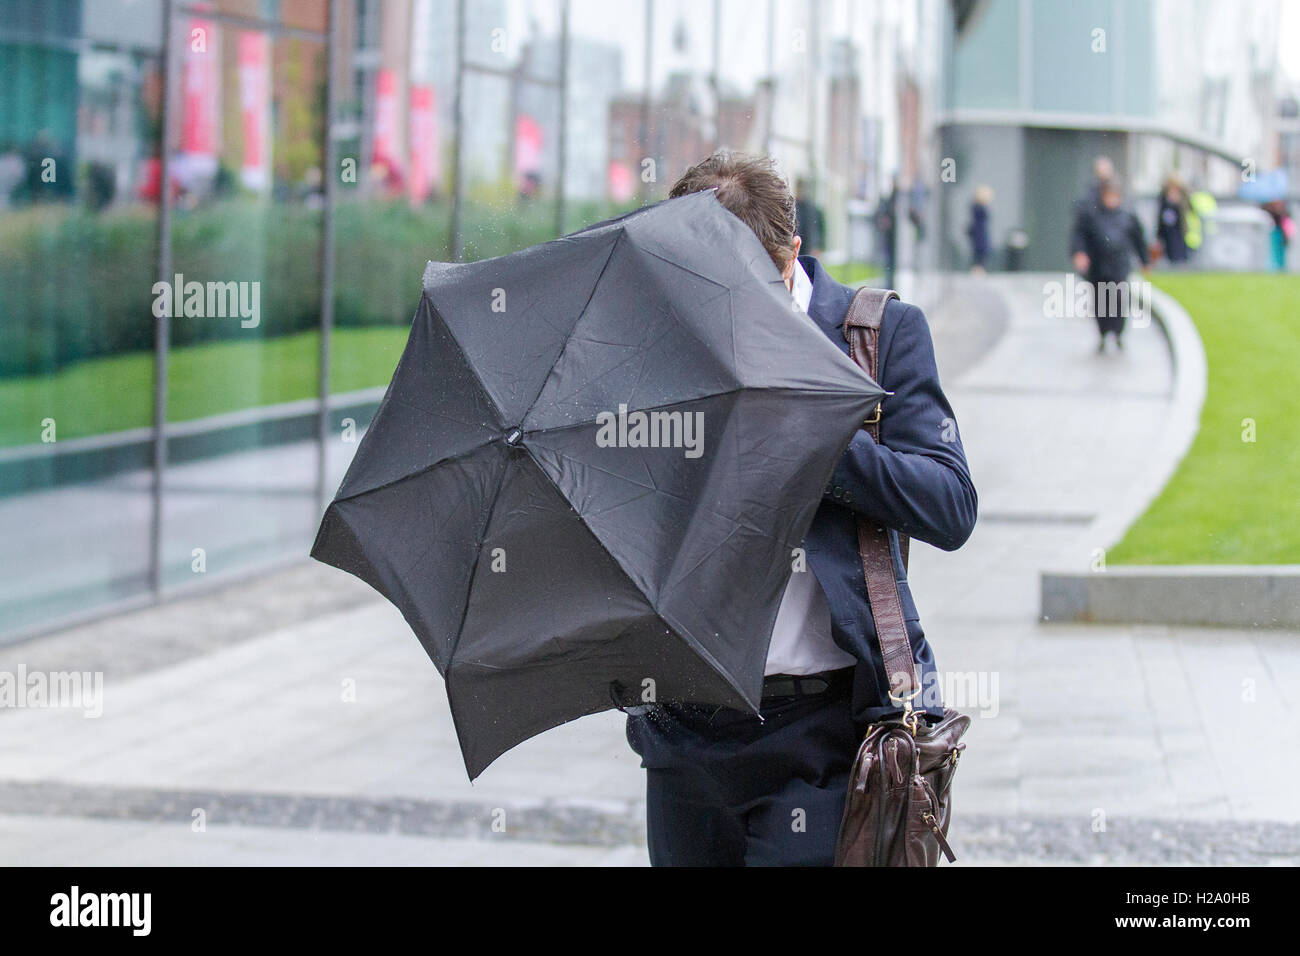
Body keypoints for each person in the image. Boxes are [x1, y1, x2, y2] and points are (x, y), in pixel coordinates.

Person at [623, 151, 978, 866]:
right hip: (687, 735)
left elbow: (949, 504)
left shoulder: (876, 336)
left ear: (792, 256)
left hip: (819, 734)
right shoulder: (665, 345)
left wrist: (805, 431)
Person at [1071, 177, 1150, 353]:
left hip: (1119, 265)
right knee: (1101, 301)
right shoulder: (1092, 214)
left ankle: (1118, 332)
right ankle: (1103, 332)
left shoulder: (1127, 215)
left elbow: (1138, 239)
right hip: (1098, 267)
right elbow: (1080, 236)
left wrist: (1145, 261)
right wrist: (1080, 253)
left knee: (1119, 299)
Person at [1068, 155, 1115, 257]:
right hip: (1095, 254)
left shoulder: (1120, 199)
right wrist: (1079, 251)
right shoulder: (1088, 202)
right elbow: (1080, 230)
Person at [1154, 174, 1189, 264]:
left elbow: (1185, 214)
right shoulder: (1163, 198)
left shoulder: (1183, 198)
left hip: (1178, 232)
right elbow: (1160, 217)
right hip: (1166, 231)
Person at [793, 177, 826, 258]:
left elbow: (820, 230)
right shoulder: (793, 206)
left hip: (809, 247)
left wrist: (818, 247)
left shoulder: (813, 209)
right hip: (796, 246)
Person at [967, 184, 993, 273]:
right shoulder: (978, 208)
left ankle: (979, 268)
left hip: (981, 233)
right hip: (979, 234)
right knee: (980, 252)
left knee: (982, 253)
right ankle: (978, 268)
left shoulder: (978, 208)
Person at [1265, 199, 1293, 271]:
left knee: (1281, 252)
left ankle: (1281, 267)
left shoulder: (1284, 212)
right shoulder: (1271, 211)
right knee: (1274, 251)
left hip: (1282, 235)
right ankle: (1275, 267)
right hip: (1275, 234)